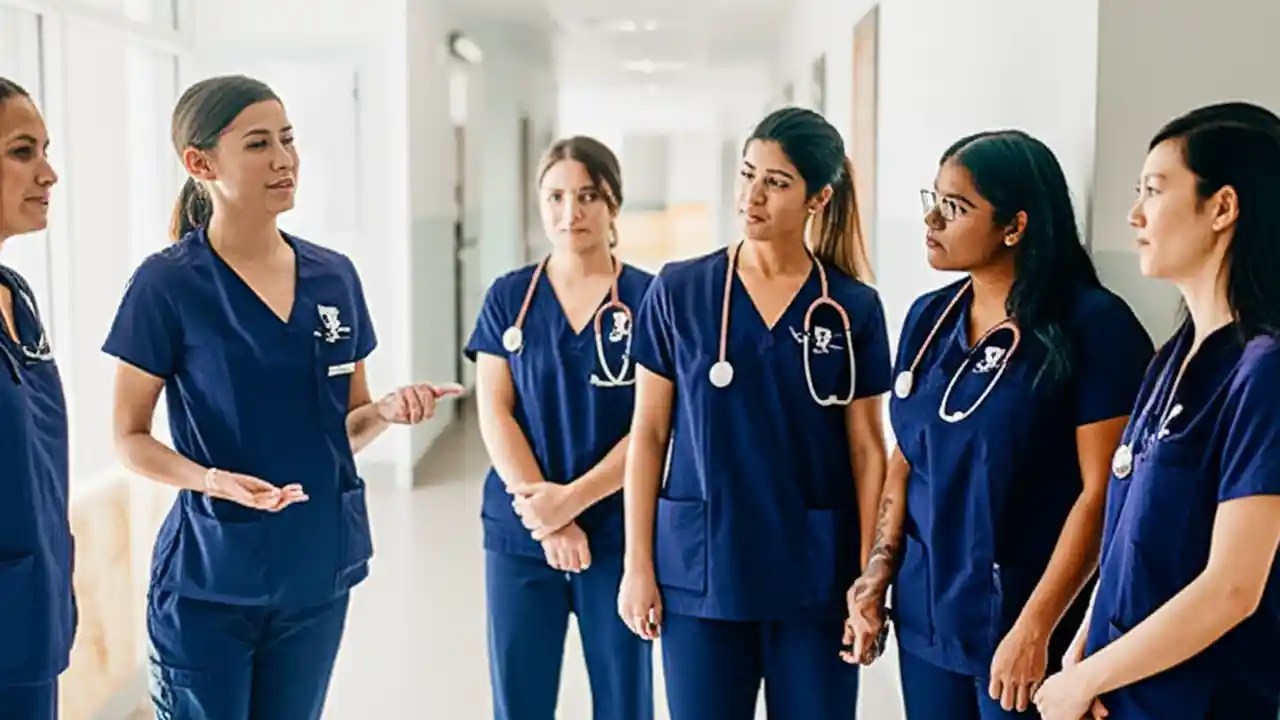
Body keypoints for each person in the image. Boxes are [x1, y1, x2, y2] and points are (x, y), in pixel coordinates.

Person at [103, 75, 461, 719]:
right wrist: (211, 479)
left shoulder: (334, 276)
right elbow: (128, 437)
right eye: (259, 143)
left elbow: (343, 428)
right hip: (210, 580)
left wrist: (382, 412)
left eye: (289, 139)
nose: (285, 159)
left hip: (314, 570)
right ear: (200, 162)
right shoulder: (167, 285)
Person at [844, 130, 1154, 719]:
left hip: (1027, 624)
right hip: (929, 616)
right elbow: (906, 455)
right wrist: (876, 575)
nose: (932, 218)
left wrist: (1035, 627)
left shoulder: (1094, 327)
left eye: (955, 208)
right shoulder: (929, 318)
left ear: (1014, 225)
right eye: (932, 199)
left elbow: (1103, 493)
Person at [619, 106, 890, 718]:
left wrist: (868, 582)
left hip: (816, 579)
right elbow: (649, 432)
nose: (753, 195)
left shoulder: (851, 308)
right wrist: (639, 564)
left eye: (776, 181)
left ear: (818, 198)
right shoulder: (680, 291)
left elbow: (868, 449)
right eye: (747, 174)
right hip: (702, 574)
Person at [1034, 102, 1280, 720]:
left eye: (1153, 189)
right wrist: (1087, 644)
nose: (1134, 213)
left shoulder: (1263, 372)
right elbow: (1129, 531)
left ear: (1222, 207)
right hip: (1126, 691)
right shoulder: (1172, 358)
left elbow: (1232, 588)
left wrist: (1091, 674)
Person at [464, 136, 654, 720]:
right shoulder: (509, 298)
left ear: (613, 203)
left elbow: (655, 427)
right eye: (555, 197)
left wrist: (571, 503)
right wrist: (547, 521)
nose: (570, 213)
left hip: (620, 532)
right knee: (519, 697)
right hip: (522, 532)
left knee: (624, 699)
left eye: (588, 196)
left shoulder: (650, 299)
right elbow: (494, 411)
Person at [0, 76, 74, 720]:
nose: (48, 173)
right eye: (22, 152)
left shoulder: (15, 294)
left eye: (45, 149)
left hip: (33, 613)